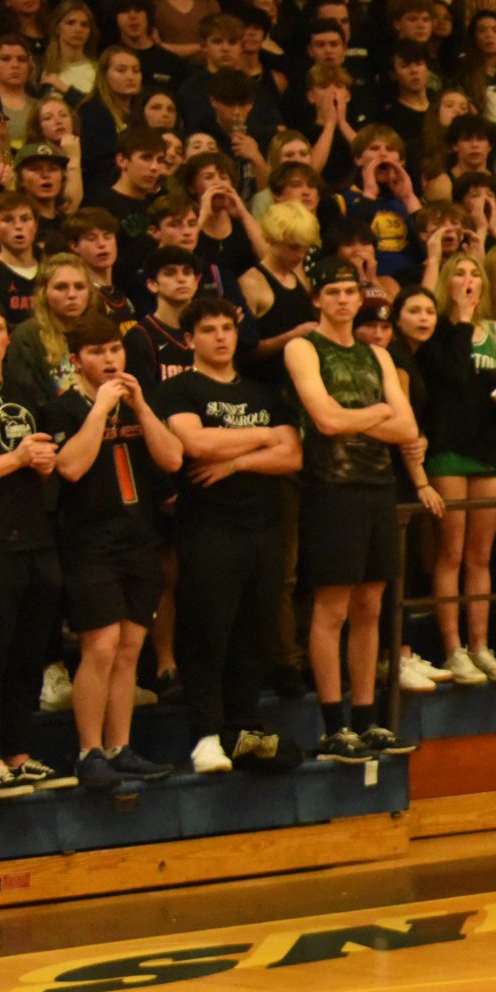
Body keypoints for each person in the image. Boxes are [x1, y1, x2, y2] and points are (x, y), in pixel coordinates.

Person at [157, 296, 301, 776]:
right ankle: (205, 735)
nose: (221, 337)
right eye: (210, 330)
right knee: (209, 634)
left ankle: (244, 731)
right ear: (190, 338)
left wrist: (237, 458)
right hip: (209, 529)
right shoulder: (181, 390)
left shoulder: (262, 390)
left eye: (227, 328)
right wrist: (264, 438)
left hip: (264, 528)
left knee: (253, 634)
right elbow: (195, 443)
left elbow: (293, 455)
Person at [284, 264, 421, 762]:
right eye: (333, 292)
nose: (343, 301)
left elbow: (407, 427)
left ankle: (367, 720)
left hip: (379, 487)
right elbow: (324, 418)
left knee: (370, 606)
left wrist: (358, 421)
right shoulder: (303, 348)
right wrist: (378, 414)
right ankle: (333, 723)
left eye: (350, 292)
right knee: (333, 608)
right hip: (331, 489)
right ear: (318, 298)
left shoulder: (378, 353)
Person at [45, 320, 183, 790]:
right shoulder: (62, 408)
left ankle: (120, 747)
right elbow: (70, 466)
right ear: (76, 360)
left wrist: (142, 408)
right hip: (89, 543)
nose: (110, 360)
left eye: (115, 351)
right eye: (98, 352)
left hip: (138, 538)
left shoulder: (138, 402)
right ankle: (89, 752)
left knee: (129, 649)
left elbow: (173, 459)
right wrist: (99, 412)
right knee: (99, 647)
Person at [0, 304, 67, 799]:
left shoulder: (21, 392)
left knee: (27, 656)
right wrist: (15, 459)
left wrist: (42, 462)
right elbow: (13, 456)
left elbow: (41, 453)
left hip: (36, 537)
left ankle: (17, 754)